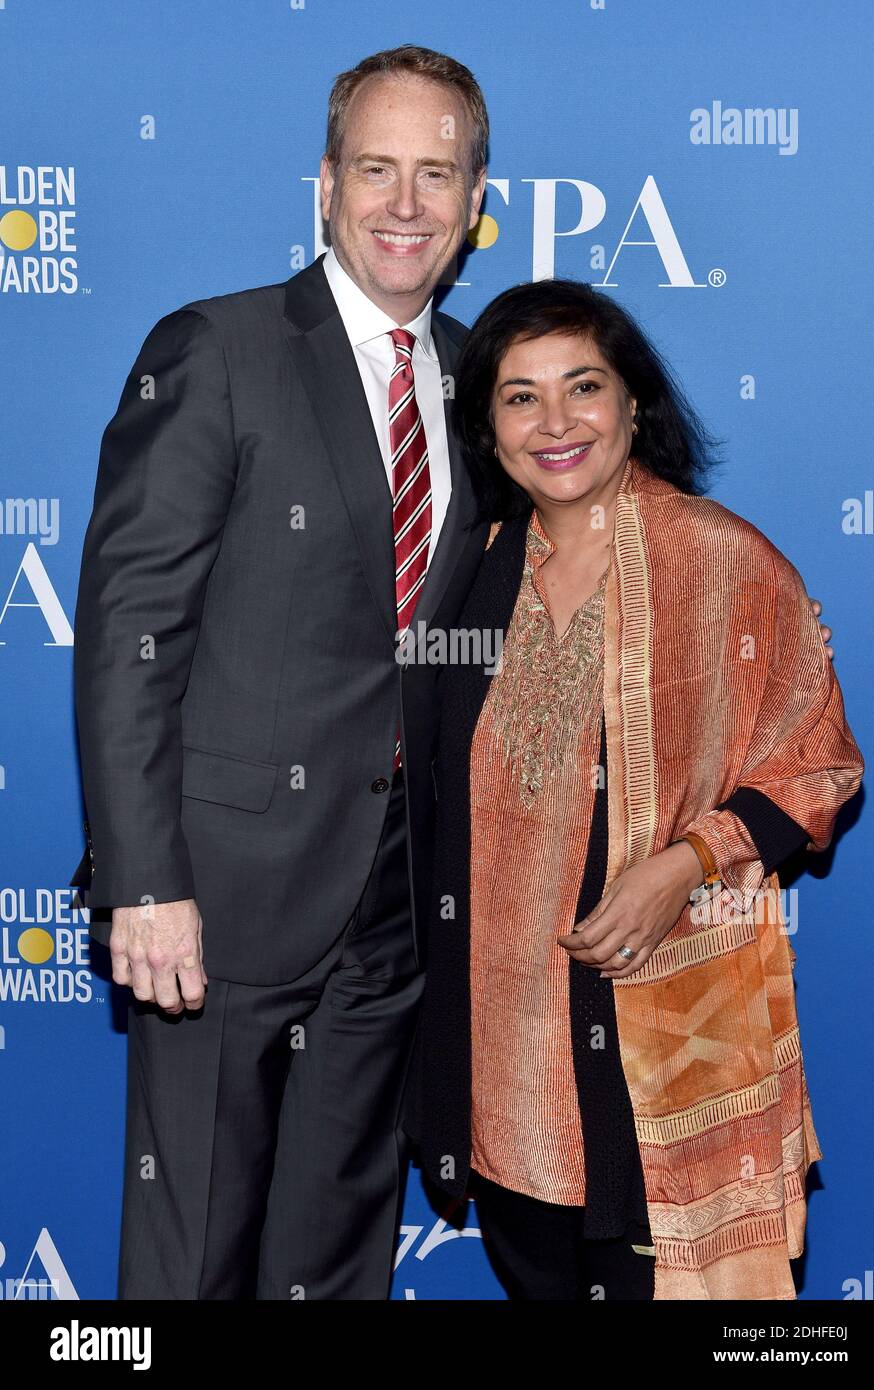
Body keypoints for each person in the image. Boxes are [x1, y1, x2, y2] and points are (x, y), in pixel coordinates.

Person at [69, 45, 490, 1300]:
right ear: (324, 185)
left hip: (396, 914)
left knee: (332, 1261)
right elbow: (129, 632)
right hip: (218, 904)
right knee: (193, 1256)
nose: (404, 202)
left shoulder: (483, 385)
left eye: (437, 173)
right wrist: (144, 880)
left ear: (476, 204)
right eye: (376, 168)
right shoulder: (216, 348)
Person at [402, 278, 864, 1301]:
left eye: (583, 386)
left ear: (632, 403)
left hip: (663, 1045)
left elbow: (819, 759)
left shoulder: (723, 560)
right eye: (520, 397)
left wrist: (685, 862)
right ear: (486, 425)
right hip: (505, 1071)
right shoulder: (471, 572)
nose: (555, 422)